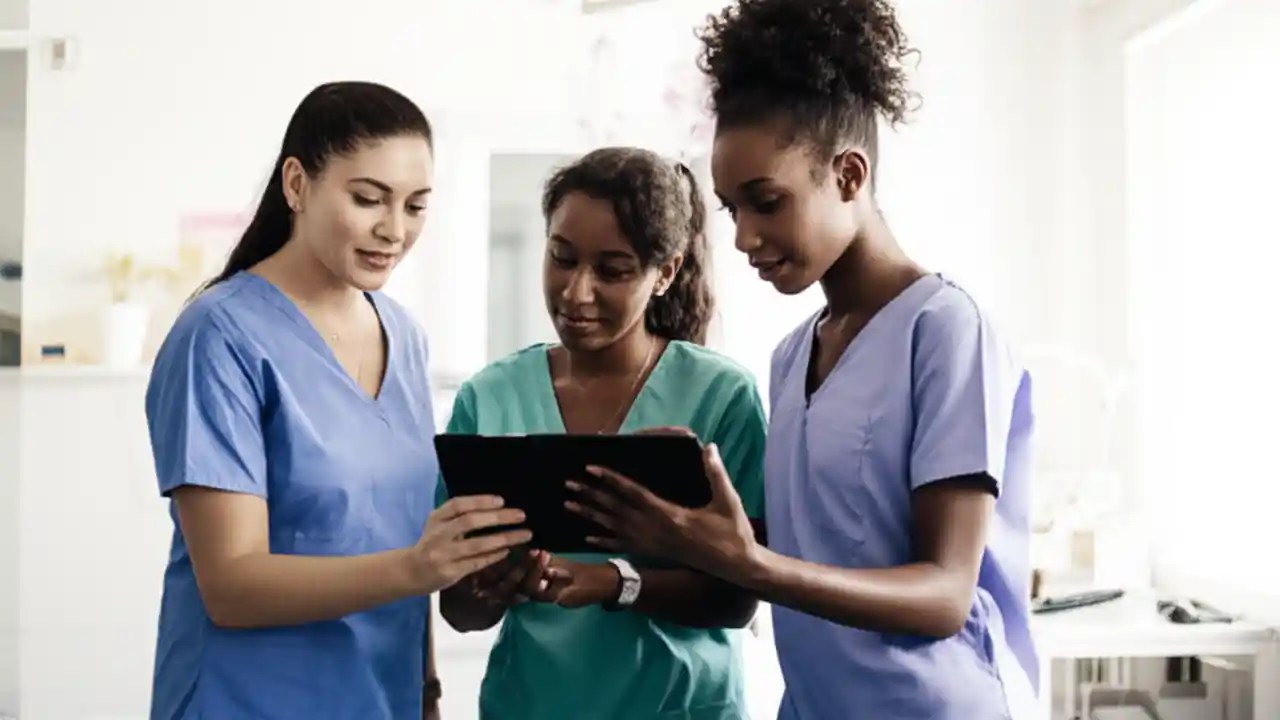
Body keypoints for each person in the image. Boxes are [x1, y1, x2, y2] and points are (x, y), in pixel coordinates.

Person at [564, 2, 1041, 719]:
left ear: (848, 174)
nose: (745, 236)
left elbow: (944, 596)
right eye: (731, 210)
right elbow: (820, 546)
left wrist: (745, 560)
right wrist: (681, 517)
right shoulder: (793, 356)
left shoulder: (945, 331)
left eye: (766, 202)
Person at [143, 81, 531, 720]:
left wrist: (427, 691)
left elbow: (405, 536)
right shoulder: (219, 337)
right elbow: (232, 587)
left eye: (416, 206)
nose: (394, 229)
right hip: (247, 701)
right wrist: (418, 567)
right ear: (296, 185)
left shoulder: (402, 335)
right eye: (368, 199)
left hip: (381, 699)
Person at [436, 147, 767, 720]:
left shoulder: (721, 397)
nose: (576, 292)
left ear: (664, 274)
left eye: (612, 271)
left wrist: (616, 582)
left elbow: (739, 598)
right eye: (562, 258)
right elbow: (459, 611)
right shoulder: (488, 399)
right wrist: (497, 583)